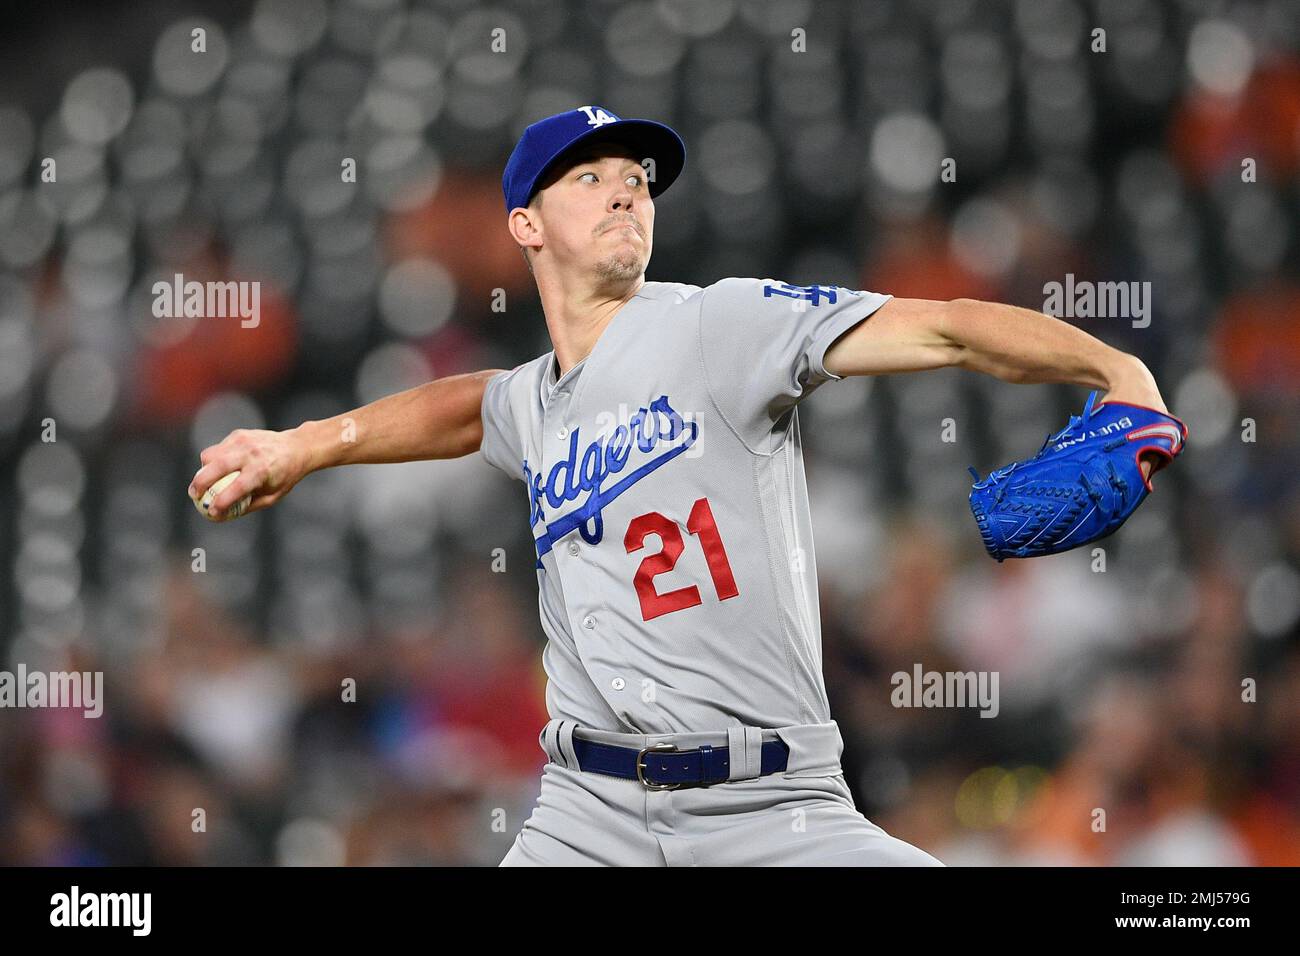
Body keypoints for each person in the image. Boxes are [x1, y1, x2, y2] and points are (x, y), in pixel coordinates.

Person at [189, 106, 1171, 866]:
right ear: (526, 224)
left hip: (770, 802)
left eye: (637, 180)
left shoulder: (721, 325)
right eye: (591, 178)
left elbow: (949, 325)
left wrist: (1114, 373)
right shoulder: (537, 402)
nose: (625, 193)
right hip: (587, 809)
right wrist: (306, 443)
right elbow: (469, 404)